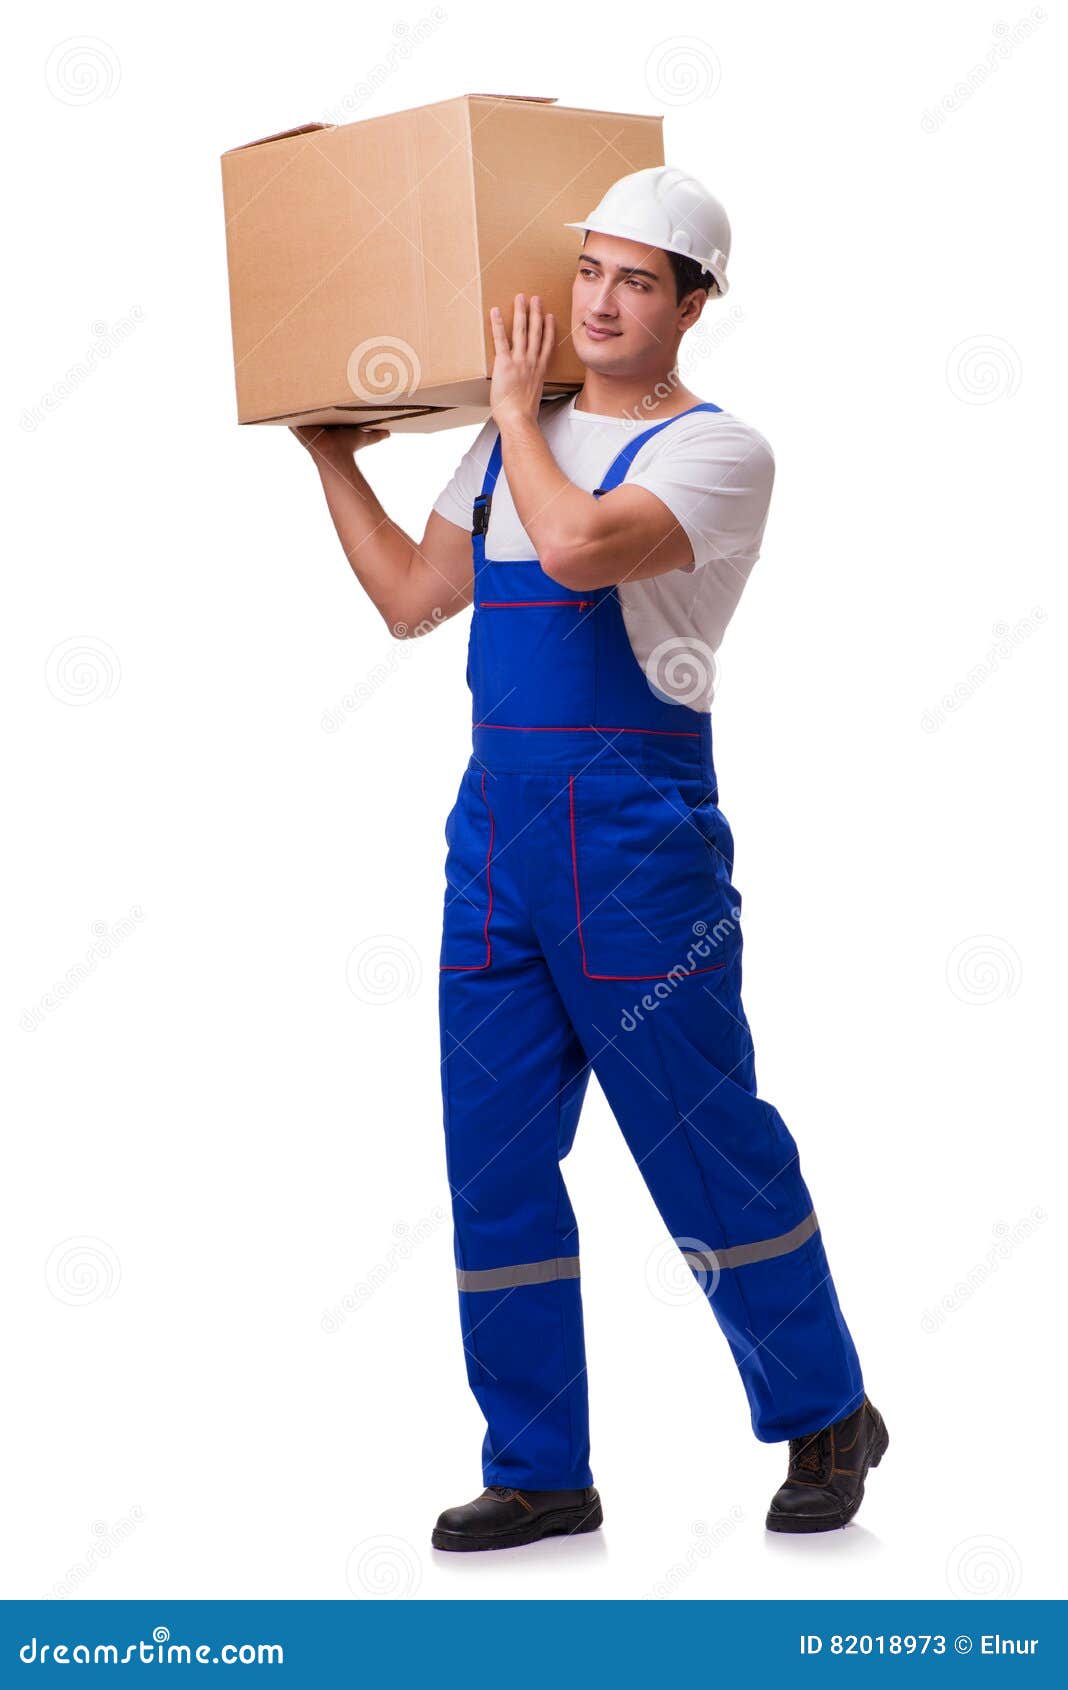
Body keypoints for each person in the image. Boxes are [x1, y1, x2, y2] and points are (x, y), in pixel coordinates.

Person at [292, 165, 888, 1552]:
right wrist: (332, 458)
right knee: (492, 1155)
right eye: (590, 272)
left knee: (700, 1134)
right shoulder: (512, 442)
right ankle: (540, 1463)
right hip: (493, 837)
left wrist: (510, 412)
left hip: (635, 843)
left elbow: (570, 550)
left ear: (693, 303)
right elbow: (409, 602)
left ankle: (825, 1409)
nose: (604, 303)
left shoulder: (716, 453)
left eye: (638, 280)